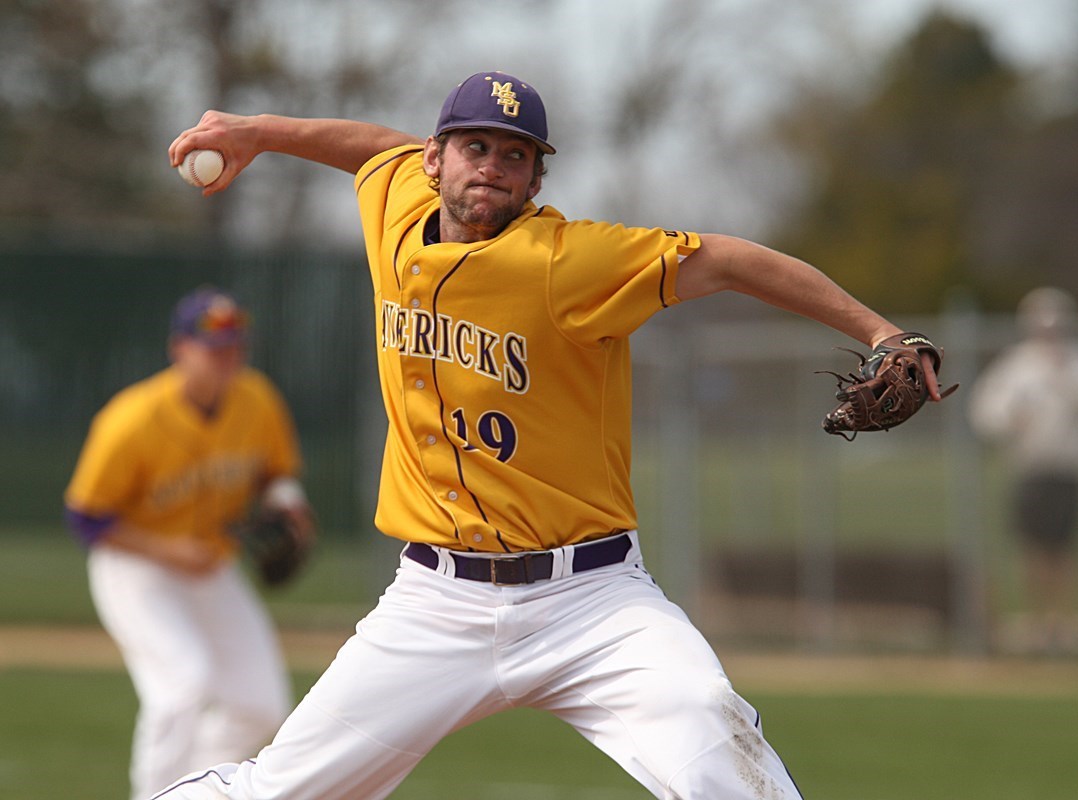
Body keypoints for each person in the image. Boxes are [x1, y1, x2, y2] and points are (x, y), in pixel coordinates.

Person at [155, 70, 949, 800]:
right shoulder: (395, 200)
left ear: (537, 180)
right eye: (474, 147)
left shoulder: (568, 263)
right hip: (435, 602)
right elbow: (371, 149)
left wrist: (882, 332)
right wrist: (256, 129)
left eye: (515, 155)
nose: (492, 167)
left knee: (718, 747)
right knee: (276, 791)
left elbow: (731, 261)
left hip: (591, 600)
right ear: (434, 160)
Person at [64, 287, 316, 800]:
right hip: (136, 567)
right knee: (182, 684)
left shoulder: (256, 399)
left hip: (210, 565)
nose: (227, 358)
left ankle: (189, 792)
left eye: (234, 346)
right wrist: (166, 550)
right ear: (179, 349)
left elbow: (277, 472)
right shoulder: (131, 419)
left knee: (261, 705)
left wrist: (290, 502)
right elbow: (86, 518)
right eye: (212, 347)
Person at [969, 287, 1078, 653]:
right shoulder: (1016, 367)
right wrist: (1012, 420)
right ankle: (1038, 622)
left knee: (1067, 548)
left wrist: (1066, 378)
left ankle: (1067, 624)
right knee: (1033, 548)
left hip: (1071, 469)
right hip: (1030, 468)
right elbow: (987, 413)